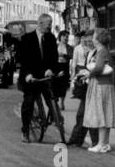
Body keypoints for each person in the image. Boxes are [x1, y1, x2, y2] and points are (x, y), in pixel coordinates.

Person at [15, 13, 62, 143]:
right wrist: (27, 75)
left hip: (45, 76)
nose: (50, 27)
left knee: (51, 99)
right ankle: (25, 130)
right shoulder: (26, 39)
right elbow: (23, 60)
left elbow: (54, 57)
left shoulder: (51, 38)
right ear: (40, 23)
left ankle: (57, 121)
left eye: (51, 24)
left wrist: (51, 69)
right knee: (29, 102)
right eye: (49, 24)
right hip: (31, 77)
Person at [83, 27, 115, 153]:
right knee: (106, 114)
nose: (92, 39)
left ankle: (101, 144)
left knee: (100, 115)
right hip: (106, 85)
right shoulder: (104, 51)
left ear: (98, 39)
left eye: (94, 37)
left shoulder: (101, 52)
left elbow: (98, 68)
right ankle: (105, 143)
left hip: (100, 85)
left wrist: (89, 74)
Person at [65, 29, 98, 148]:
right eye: (86, 41)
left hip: (95, 87)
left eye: (90, 41)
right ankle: (77, 139)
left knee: (89, 115)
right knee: (82, 114)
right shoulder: (89, 53)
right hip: (87, 86)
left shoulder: (98, 52)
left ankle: (94, 141)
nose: (88, 43)